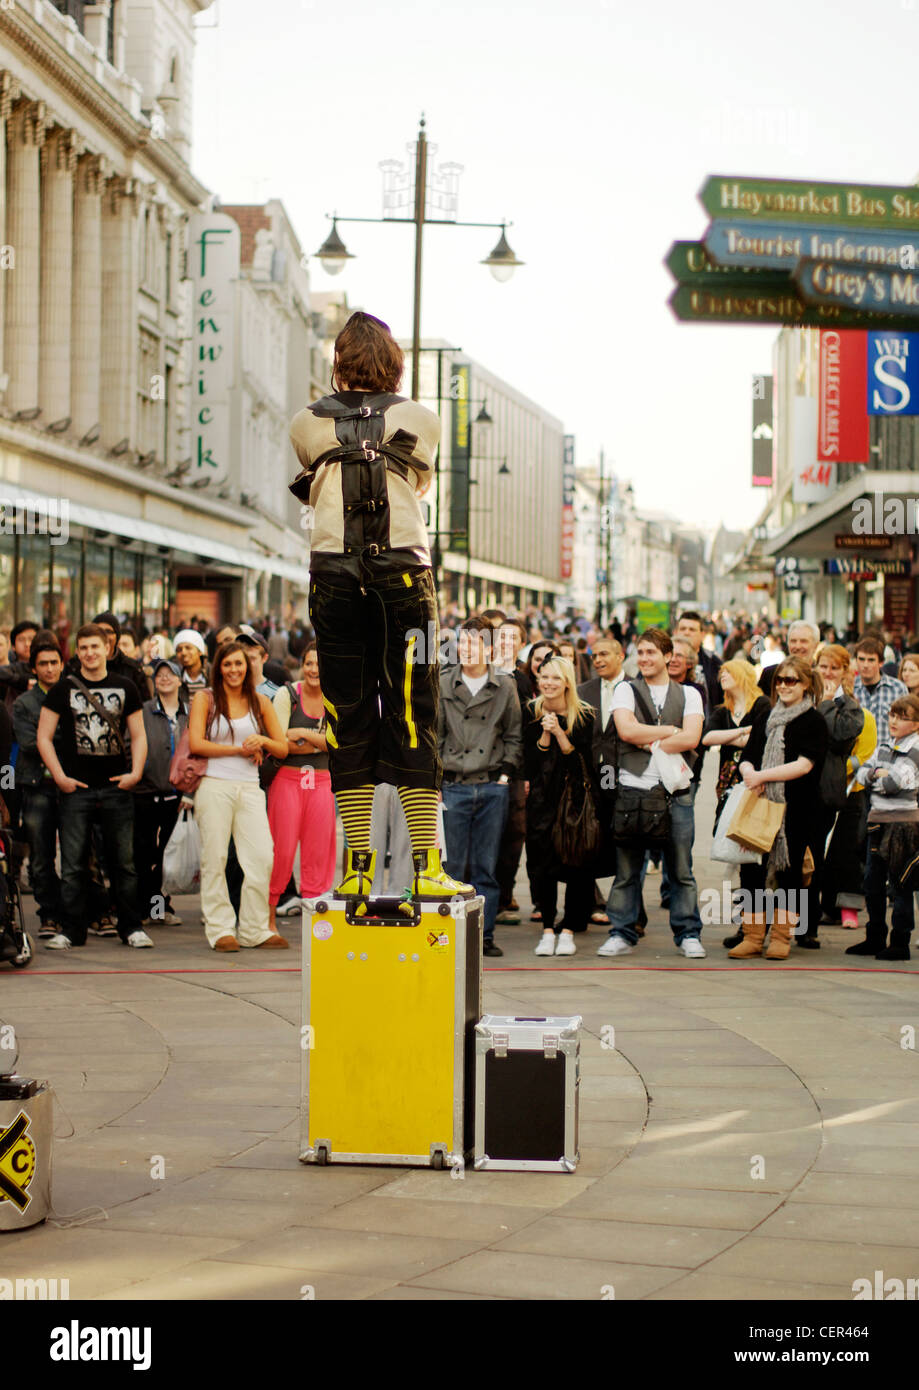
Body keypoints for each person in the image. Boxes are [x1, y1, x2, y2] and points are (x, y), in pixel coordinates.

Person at [288, 310, 472, 905]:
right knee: (414, 710)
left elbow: (312, 477)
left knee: (346, 712)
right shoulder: (421, 417)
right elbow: (418, 486)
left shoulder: (305, 422)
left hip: (333, 575)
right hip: (403, 576)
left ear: (336, 362)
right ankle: (425, 866)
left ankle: (358, 868)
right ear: (396, 364)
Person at [36, 623, 150, 950]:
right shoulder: (62, 689)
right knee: (72, 864)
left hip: (117, 787)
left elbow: (139, 735)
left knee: (123, 863)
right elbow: (43, 737)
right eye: (83, 647)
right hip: (76, 788)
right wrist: (58, 775)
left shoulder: (126, 686)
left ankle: (131, 927)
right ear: (77, 652)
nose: (89, 653)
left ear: (107, 649)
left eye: (95, 647)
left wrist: (136, 772)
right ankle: (72, 929)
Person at [599, 629, 706, 959]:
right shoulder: (625, 690)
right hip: (633, 789)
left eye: (650, 653)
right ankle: (621, 931)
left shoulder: (689, 694)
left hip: (676, 792)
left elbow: (691, 739)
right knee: (628, 868)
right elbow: (625, 730)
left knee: (681, 868)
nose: (644, 658)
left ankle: (688, 932)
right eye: (640, 652)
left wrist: (649, 740)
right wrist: (669, 731)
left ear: (668, 656)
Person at [188, 641, 289, 952]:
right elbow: (196, 744)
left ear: (248, 667)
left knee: (262, 857)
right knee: (215, 858)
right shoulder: (205, 699)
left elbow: (282, 748)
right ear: (219, 667)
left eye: (239, 664)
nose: (234, 670)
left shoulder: (260, 701)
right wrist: (239, 748)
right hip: (214, 785)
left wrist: (262, 740)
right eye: (228, 664)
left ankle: (255, 929)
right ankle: (220, 930)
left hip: (249, 788)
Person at [732, 658, 828, 959]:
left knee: (790, 872)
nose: (784, 686)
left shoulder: (813, 721)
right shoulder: (766, 716)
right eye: (780, 681)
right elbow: (748, 755)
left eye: (792, 681)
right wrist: (750, 772)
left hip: (796, 809)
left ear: (806, 685)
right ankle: (752, 935)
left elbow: (804, 765)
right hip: (759, 804)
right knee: (750, 871)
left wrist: (763, 776)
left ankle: (781, 938)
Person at [438, 617, 522, 957]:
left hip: (491, 785)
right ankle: (452, 936)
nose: (466, 649)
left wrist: (504, 776)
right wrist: (437, 782)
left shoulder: (505, 685)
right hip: (453, 784)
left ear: (489, 648)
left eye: (474, 643)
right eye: (463, 642)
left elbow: (514, 734)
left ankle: (484, 936)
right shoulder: (444, 682)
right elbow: (434, 735)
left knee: (487, 868)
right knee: (453, 867)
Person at [524, 657, 598, 956]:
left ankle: (569, 928)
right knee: (542, 865)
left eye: (555, 678)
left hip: (575, 800)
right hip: (542, 800)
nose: (549, 683)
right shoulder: (530, 711)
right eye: (544, 677)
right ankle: (548, 929)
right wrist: (544, 732)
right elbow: (531, 762)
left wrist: (558, 733)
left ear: (567, 681)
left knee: (576, 863)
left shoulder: (584, 716)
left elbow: (581, 763)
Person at [702, 658, 771, 948]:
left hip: (758, 787)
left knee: (761, 861)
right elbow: (708, 737)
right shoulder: (723, 710)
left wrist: (737, 738)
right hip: (729, 789)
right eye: (721, 674)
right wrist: (743, 733)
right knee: (742, 858)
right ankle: (748, 926)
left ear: (743, 674)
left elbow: (762, 740)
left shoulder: (763, 706)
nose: (722, 677)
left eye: (727, 672)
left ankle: (769, 925)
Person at [267, 643, 336, 932]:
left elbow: (339, 744)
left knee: (318, 854)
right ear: (301, 665)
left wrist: (301, 735)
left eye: (320, 664)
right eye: (309, 663)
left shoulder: (336, 697)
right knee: (279, 852)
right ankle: (267, 919)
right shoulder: (287, 694)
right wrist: (318, 740)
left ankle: (315, 926)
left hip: (321, 781)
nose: (314, 670)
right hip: (288, 781)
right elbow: (280, 743)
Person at [847, 694, 919, 960]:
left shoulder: (915, 749)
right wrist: (879, 773)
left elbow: (895, 782)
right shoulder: (886, 745)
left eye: (903, 717)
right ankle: (874, 936)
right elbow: (862, 774)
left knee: (901, 883)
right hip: (877, 820)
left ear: (916, 724)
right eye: (892, 715)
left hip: (902, 824)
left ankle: (900, 940)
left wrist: (877, 774)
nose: (894, 721)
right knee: (871, 881)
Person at [815, 645, 875, 931]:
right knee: (813, 852)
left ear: (845, 672)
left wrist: (834, 767)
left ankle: (847, 907)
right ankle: (815, 911)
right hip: (813, 789)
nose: (828, 673)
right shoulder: (807, 702)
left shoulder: (855, 710)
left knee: (846, 853)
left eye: (834, 668)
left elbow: (857, 752)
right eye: (823, 666)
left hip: (850, 789)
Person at [12, 631, 65, 939]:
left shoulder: (72, 693)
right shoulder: (24, 704)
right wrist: (57, 741)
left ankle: (75, 914)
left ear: (62, 664)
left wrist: (49, 740)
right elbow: (30, 744)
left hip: (69, 786)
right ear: (33, 668)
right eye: (42, 663)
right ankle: (48, 915)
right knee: (41, 856)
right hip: (35, 784)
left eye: (54, 662)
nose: (49, 668)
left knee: (76, 855)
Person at [134, 658, 189, 927]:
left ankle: (159, 908)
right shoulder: (143, 711)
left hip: (178, 796)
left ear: (180, 680)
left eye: (171, 674)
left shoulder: (189, 713)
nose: (165, 678)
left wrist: (191, 791)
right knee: (144, 854)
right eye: (160, 674)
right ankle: (144, 906)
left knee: (166, 855)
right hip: (145, 792)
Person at [853, 635, 907, 745]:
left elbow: (906, 727)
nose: (865, 665)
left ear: (881, 662)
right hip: (857, 758)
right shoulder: (849, 688)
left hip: (888, 756)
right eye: (861, 659)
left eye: (871, 660)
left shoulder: (897, 688)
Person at [675, 610, 721, 709]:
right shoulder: (664, 659)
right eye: (683, 629)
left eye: (692, 629)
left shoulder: (714, 662)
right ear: (676, 632)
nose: (686, 633)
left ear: (702, 634)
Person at [174, 627, 209, 694]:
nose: (183, 653)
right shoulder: (174, 678)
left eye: (188, 648)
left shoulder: (213, 675)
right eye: (179, 650)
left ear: (200, 651)